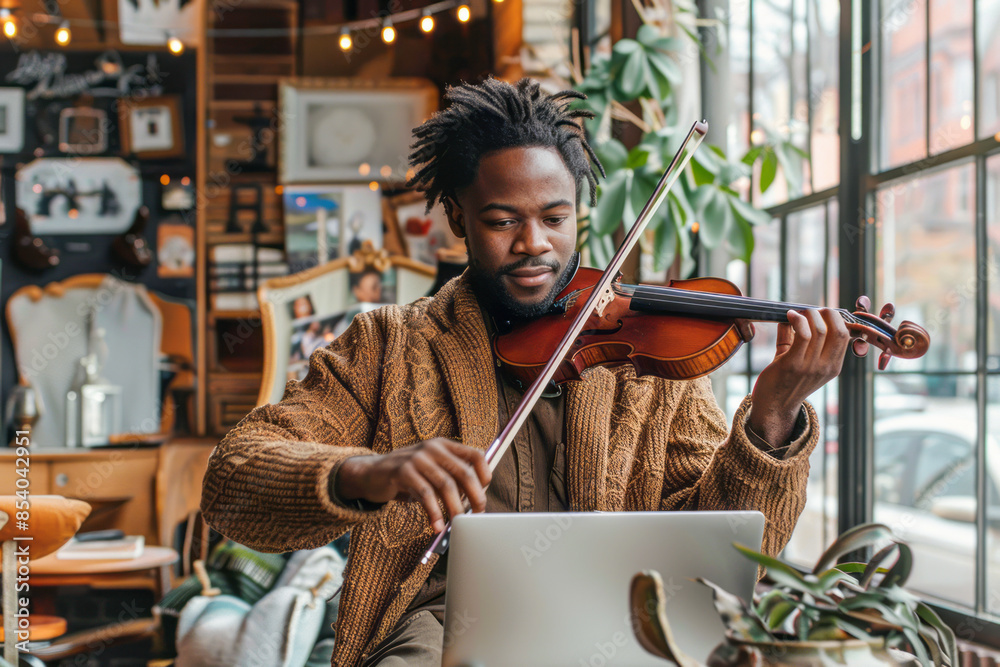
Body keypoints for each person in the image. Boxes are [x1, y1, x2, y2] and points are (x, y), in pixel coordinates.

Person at [201, 78, 850, 667]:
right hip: (444, 625)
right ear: (458, 218)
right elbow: (233, 481)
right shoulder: (387, 344)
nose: (534, 243)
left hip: (622, 622)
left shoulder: (650, 349)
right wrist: (368, 472)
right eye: (502, 220)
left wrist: (772, 417)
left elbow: (728, 548)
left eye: (555, 218)